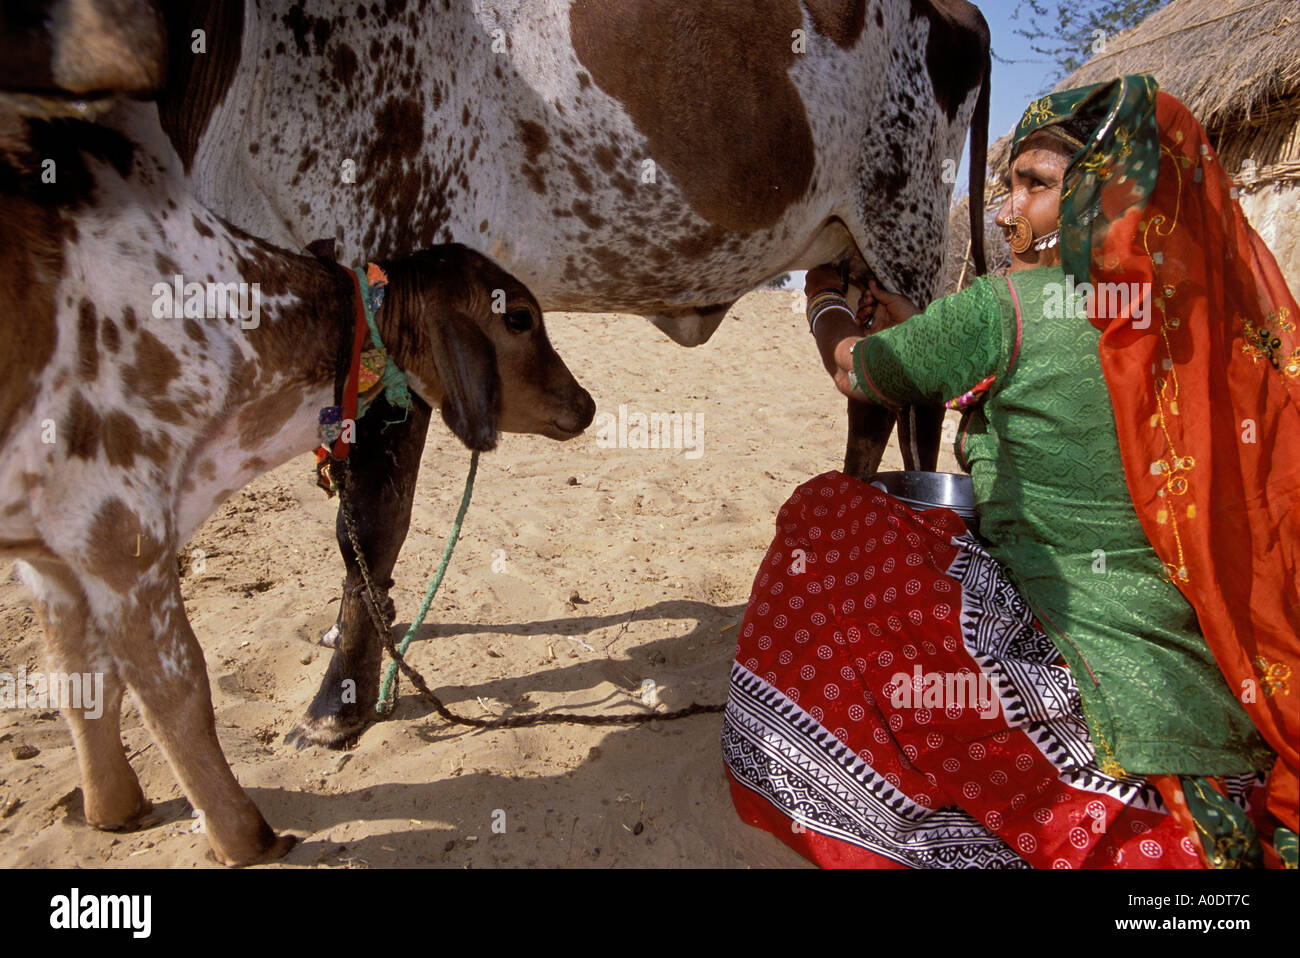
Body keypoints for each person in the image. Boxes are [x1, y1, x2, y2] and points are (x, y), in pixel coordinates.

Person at [722, 75, 1299, 869]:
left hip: (1074, 648)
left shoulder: (1004, 307)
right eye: (1007, 186)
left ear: (1102, 192)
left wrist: (825, 304)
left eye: (1036, 187)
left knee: (828, 515)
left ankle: (832, 781)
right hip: (1199, 661)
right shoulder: (1196, 328)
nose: (1005, 211)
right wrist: (934, 331)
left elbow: (859, 373)